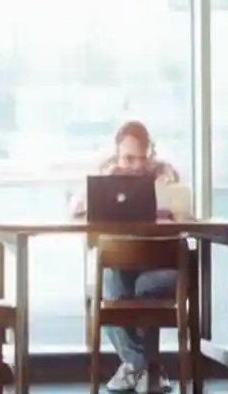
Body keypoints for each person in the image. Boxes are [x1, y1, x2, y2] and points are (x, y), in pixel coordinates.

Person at [77, 120, 180, 393]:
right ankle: (147, 368)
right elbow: (75, 207)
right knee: (110, 283)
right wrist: (106, 181)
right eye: (128, 158)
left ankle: (134, 366)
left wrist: (166, 191)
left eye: (141, 158)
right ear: (116, 155)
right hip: (123, 269)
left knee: (135, 289)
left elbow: (185, 211)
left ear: (151, 154)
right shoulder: (107, 179)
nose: (135, 166)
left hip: (163, 268)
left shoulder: (165, 177)